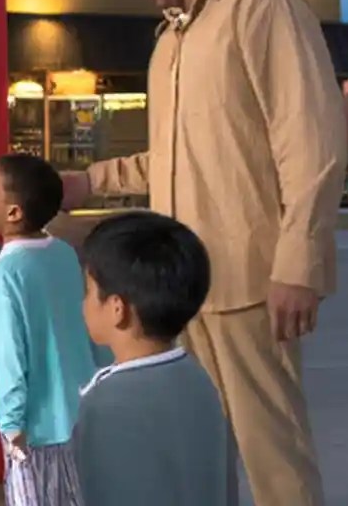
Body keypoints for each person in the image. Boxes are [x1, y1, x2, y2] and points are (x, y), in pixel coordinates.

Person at [59, 0, 347, 506]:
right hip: (179, 293)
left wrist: (299, 263)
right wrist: (85, 184)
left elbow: (311, 140)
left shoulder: (258, 4)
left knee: (275, 459)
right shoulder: (169, 46)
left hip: (250, 286)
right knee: (197, 458)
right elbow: (164, 158)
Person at [73, 210, 230, 506]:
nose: (83, 303)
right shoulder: (199, 380)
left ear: (118, 308)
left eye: (89, 291)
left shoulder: (106, 402)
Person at [0, 153, 100, 506]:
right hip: (82, 415)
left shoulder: (2, 275)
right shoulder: (62, 253)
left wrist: (11, 426)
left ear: (13, 212)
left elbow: (9, 359)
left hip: (36, 431)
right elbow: (90, 328)